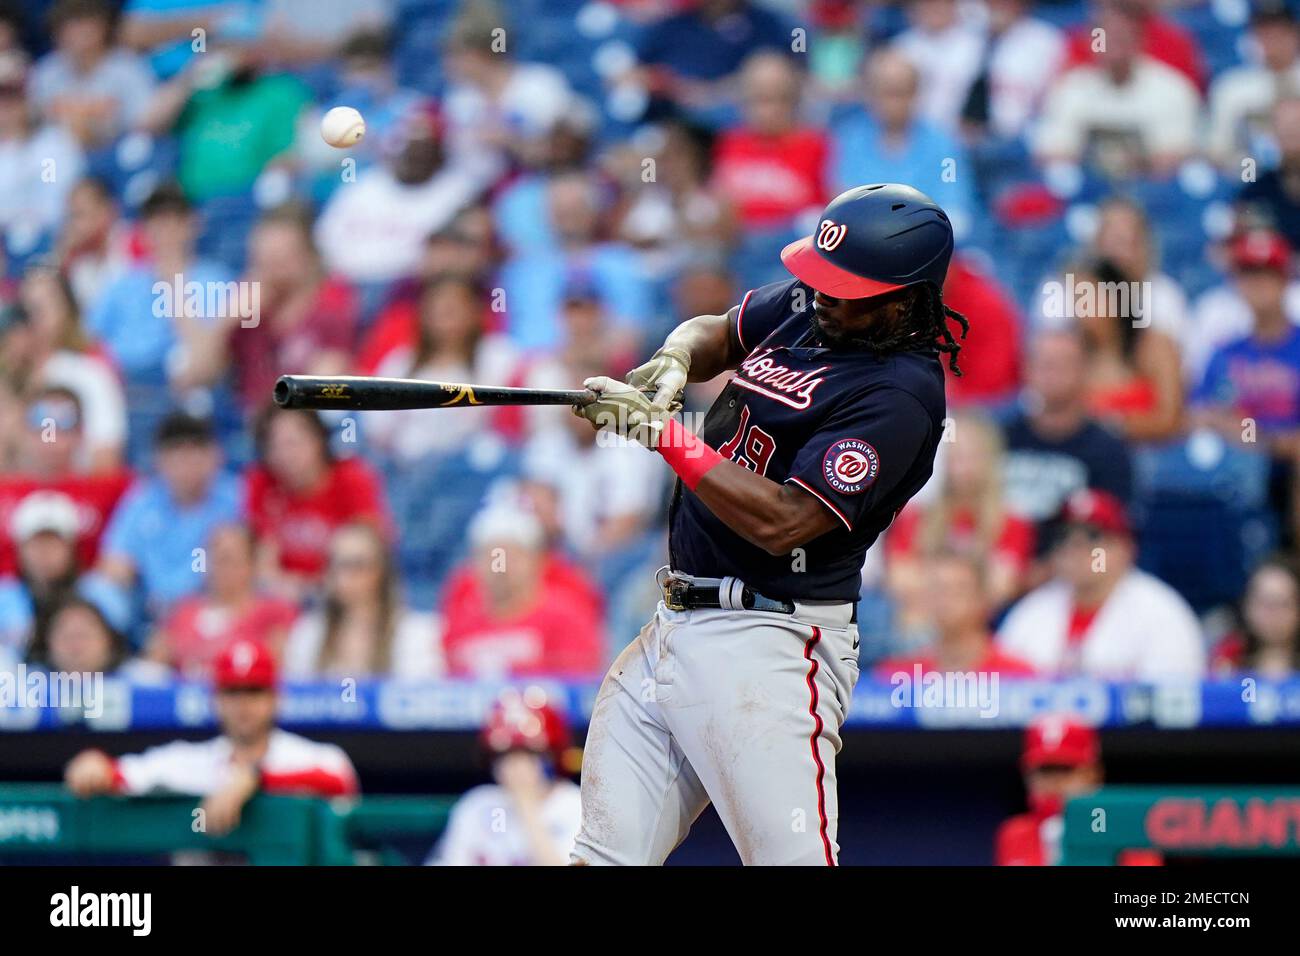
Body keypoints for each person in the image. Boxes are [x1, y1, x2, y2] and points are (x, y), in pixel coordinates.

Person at [568, 183, 966, 866]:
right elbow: (716, 332)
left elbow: (786, 523)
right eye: (819, 281)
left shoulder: (900, 396)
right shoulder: (819, 306)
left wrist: (667, 436)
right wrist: (673, 359)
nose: (821, 297)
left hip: (770, 639)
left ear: (902, 301)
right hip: (674, 623)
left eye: (845, 291)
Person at [63, 639, 359, 836]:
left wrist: (254, 781)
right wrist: (93, 762)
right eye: (232, 692)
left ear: (275, 698)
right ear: (215, 700)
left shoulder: (315, 757)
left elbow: (337, 781)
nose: (243, 704)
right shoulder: (187, 760)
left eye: (254, 691)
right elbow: (117, 774)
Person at [998, 490, 1205, 678]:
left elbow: (1174, 700)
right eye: (1063, 537)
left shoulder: (1160, 612)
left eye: (1092, 536)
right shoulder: (1032, 611)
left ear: (1126, 548)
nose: (1074, 547)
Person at [887, 412, 1036, 616]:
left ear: (990, 459)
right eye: (954, 457)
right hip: (922, 618)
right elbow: (900, 579)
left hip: (981, 622)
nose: (961, 467)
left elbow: (1002, 587)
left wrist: (937, 588)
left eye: (971, 456)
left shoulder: (1012, 521)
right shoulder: (917, 514)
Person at [97, 414, 242, 622]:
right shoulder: (143, 499)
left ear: (216, 456)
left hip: (214, 603)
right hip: (150, 608)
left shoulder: (235, 497)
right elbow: (114, 562)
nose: (188, 467)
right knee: (100, 593)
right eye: (179, 456)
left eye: (197, 454)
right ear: (160, 460)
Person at [1033, 0, 1200, 177]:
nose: (1114, 46)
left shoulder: (1171, 89)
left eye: (1122, 38)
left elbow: (1175, 156)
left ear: (1139, 40)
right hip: (1089, 185)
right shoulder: (1071, 88)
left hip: (1150, 187)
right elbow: (1052, 153)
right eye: (1105, 38)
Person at [439, 505, 605, 679]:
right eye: (492, 557)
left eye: (512, 557)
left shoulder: (566, 618)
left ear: (536, 561)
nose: (501, 568)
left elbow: (581, 685)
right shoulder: (461, 622)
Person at [426, 687, 581, 866]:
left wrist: (526, 805)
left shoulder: (574, 807)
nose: (514, 766)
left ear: (551, 756)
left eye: (527, 754)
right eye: (504, 755)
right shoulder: (477, 805)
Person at [245, 407, 389, 596]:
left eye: (292, 443)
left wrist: (308, 589)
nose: (284, 456)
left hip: (343, 596)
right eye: (274, 446)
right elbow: (263, 567)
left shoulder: (352, 479)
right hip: (284, 603)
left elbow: (368, 556)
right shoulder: (263, 484)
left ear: (318, 440)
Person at [830, 49, 976, 235]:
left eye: (901, 93)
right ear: (869, 94)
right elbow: (841, 202)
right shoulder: (849, 139)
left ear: (916, 94)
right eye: (885, 93)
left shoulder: (943, 143)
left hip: (924, 244)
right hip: (863, 244)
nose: (893, 103)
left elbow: (954, 209)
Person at [1002, 329, 1135, 529]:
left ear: (1084, 371)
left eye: (1062, 365)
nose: (1051, 374)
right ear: (1026, 369)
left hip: (1075, 556)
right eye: (1043, 364)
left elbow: (1113, 532)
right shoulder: (1001, 438)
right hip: (1004, 556)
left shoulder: (1108, 451)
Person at [283, 522, 441, 679]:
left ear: (381, 571)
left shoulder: (415, 633)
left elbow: (418, 693)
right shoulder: (309, 633)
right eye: (335, 563)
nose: (343, 576)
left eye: (356, 564)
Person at [9, 263, 126, 471]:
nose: (36, 315)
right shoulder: (6, 378)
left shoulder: (90, 375)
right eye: (28, 306)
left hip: (73, 492)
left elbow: (106, 459)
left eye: (45, 304)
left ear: (67, 312)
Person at [148, 524, 298, 679]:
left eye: (227, 559)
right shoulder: (185, 611)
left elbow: (278, 668)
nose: (217, 567)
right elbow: (153, 664)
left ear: (251, 564)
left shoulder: (273, 613)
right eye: (212, 558)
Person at [711, 52, 829, 231]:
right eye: (760, 100)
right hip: (737, 245)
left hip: (791, 243)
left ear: (796, 100)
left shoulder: (816, 145)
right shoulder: (730, 142)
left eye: (781, 99)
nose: (769, 111)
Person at [0, 489, 125, 658]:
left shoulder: (101, 594)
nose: (44, 553)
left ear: (71, 548)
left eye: (54, 544)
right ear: (20, 549)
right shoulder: (5, 596)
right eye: (36, 544)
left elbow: (121, 650)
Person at [875, 551, 1036, 678]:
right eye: (937, 589)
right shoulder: (898, 676)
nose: (945, 600)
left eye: (958, 590)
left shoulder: (1017, 675)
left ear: (982, 598)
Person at [28, 0, 156, 148]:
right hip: (60, 156)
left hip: (114, 153)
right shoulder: (46, 72)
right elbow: (31, 124)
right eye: (71, 26)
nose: (78, 34)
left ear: (104, 28)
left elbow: (145, 123)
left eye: (86, 25)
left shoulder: (128, 67)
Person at [995, 716, 1103, 867]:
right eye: (1045, 770)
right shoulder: (1015, 834)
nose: (1053, 781)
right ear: (1028, 775)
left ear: (1093, 773)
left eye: (1065, 769)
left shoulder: (1111, 829)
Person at [0, 50, 85, 240]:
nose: (5, 105)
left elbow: (53, 201)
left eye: (12, 94)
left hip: (45, 240)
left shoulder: (52, 146)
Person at [1207, 0, 1300, 171]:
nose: (1273, 40)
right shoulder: (1232, 88)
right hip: (1254, 172)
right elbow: (1219, 150)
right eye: (1264, 33)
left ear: (1295, 33)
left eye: (1281, 32)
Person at [1212, 555, 1300, 675]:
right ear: (1246, 606)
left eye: (1283, 603)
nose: (1273, 613)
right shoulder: (1227, 658)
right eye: (1264, 603)